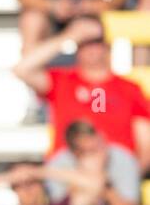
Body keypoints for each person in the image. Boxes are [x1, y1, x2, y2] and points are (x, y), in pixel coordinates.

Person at [14, 17, 150, 168]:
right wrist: (69, 36)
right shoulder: (61, 81)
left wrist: (131, 174)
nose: (90, 47)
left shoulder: (130, 88)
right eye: (84, 43)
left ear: (107, 45)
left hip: (114, 168)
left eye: (95, 41)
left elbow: (145, 141)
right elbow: (22, 69)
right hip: (70, 168)